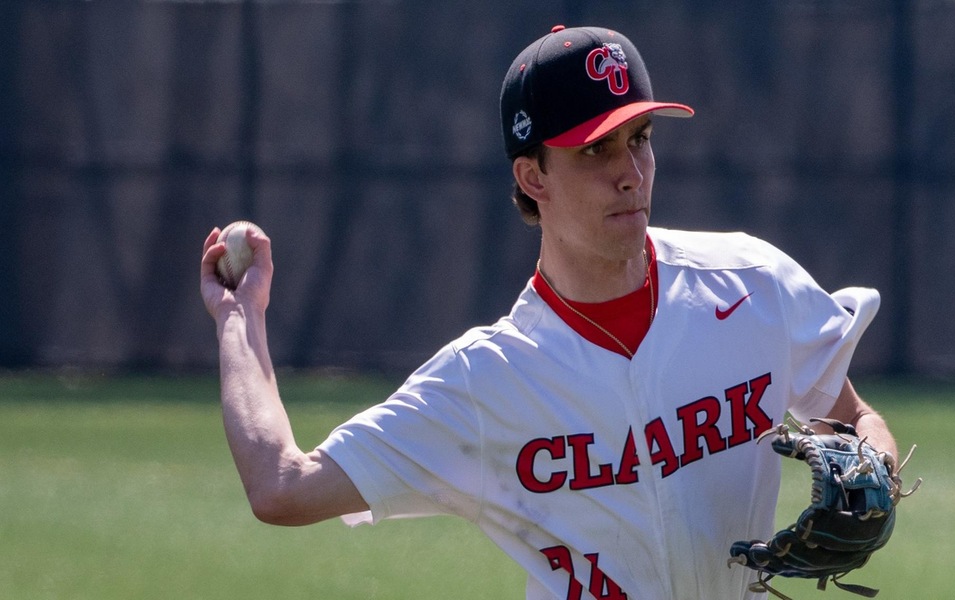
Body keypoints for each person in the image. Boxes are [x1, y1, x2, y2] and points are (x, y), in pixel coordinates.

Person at [199, 24, 898, 600]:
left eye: (640, 140)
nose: (631, 171)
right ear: (533, 177)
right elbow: (281, 487)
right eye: (596, 150)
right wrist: (240, 321)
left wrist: (877, 480)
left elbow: (854, 419)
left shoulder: (748, 284)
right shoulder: (487, 381)